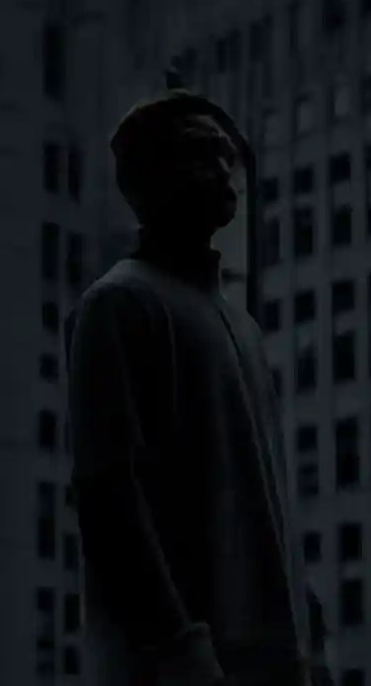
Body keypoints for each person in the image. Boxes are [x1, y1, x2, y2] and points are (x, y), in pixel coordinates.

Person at [65, 89, 330, 686]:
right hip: (188, 667)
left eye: (223, 153)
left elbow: (270, 496)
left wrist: (311, 635)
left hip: (271, 659)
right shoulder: (118, 304)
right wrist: (179, 647)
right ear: (144, 182)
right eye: (196, 153)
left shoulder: (243, 326)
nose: (219, 168)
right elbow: (108, 490)